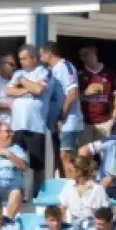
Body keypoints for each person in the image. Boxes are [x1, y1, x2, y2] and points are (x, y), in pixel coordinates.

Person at [4, 45, 52, 185]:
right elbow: (8, 92)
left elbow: (38, 90)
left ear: (34, 58)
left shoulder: (43, 72)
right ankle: (19, 191)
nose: (22, 62)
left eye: (25, 58)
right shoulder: (17, 73)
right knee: (16, 161)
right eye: (20, 59)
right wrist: (28, 88)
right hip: (17, 125)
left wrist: (23, 82)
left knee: (37, 165)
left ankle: (37, 195)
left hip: (35, 126)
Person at [41, 42, 83, 176]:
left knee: (67, 156)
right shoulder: (51, 71)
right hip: (55, 123)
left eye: (42, 55)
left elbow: (72, 94)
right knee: (60, 158)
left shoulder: (65, 67)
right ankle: (66, 187)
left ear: (49, 54)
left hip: (67, 122)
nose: (40, 58)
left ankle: (73, 188)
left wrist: (61, 116)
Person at [59, 162, 109, 230]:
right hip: (73, 224)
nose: (69, 173)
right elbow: (62, 208)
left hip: (92, 224)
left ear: (79, 172)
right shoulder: (68, 186)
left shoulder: (98, 189)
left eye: (71, 171)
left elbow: (106, 211)